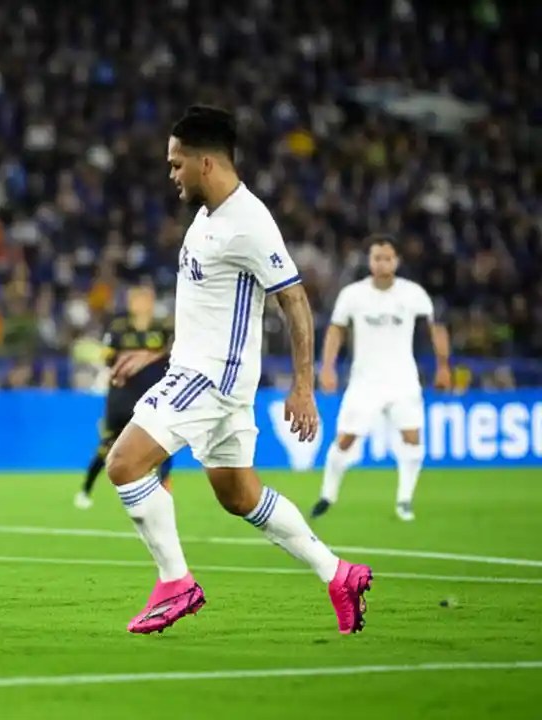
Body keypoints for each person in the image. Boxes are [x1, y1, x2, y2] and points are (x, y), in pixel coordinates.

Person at [104, 106, 373, 635]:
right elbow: (210, 308)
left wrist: (303, 387)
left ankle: (175, 582)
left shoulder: (249, 223)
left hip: (212, 380)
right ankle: (338, 573)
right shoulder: (208, 218)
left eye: (177, 164)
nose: (172, 175)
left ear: (206, 163)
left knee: (123, 464)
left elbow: (294, 301)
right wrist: (159, 354)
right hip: (200, 372)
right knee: (238, 495)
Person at [312, 236, 452, 522]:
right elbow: (336, 330)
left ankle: (404, 500)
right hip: (365, 381)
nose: (382, 263)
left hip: (402, 379)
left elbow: (436, 328)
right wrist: (327, 367)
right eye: (377, 258)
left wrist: (443, 366)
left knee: (412, 438)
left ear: (396, 261)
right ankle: (327, 495)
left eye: (387, 258)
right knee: (346, 439)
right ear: (370, 261)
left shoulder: (413, 294)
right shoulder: (353, 295)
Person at [76, 284, 174, 509]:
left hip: (153, 397)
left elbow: (173, 357)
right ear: (131, 304)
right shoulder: (119, 329)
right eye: (138, 299)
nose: (143, 303)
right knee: (108, 446)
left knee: (163, 443)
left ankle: (162, 491)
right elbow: (107, 357)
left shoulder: (163, 329)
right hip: (122, 397)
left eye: (147, 299)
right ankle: (86, 489)